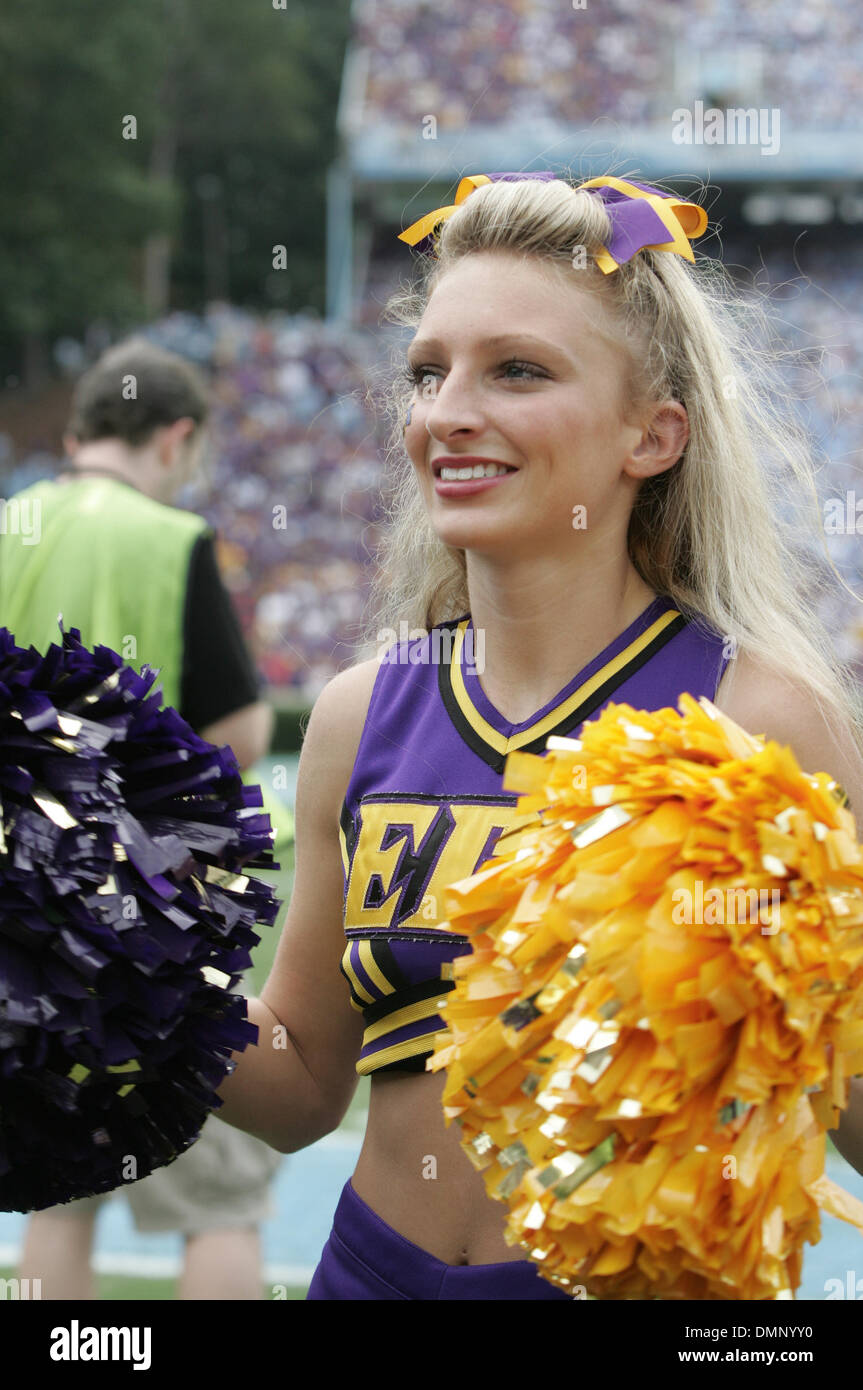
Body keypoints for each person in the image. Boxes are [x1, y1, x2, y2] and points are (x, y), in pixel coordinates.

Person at [167, 173, 863, 1298]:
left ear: (654, 434)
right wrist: (124, 957)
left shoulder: (762, 722)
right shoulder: (360, 713)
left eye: (517, 371)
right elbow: (299, 1090)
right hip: (368, 1276)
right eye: (427, 372)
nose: (445, 411)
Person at [0, 338, 285, 1298]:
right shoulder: (169, 538)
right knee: (217, 1200)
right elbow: (239, 729)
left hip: (22, 923)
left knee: (54, 1188)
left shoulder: (9, 523)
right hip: (149, 914)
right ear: (177, 438)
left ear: (79, 433)